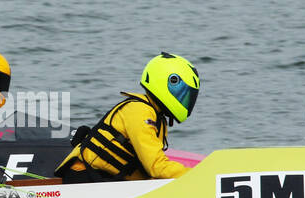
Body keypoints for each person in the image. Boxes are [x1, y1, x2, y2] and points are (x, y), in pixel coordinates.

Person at [55, 52, 199, 182]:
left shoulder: (155, 116)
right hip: (85, 178)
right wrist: (199, 175)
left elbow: (151, 170)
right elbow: (156, 166)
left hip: (104, 180)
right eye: (184, 94)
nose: (185, 100)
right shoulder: (140, 111)